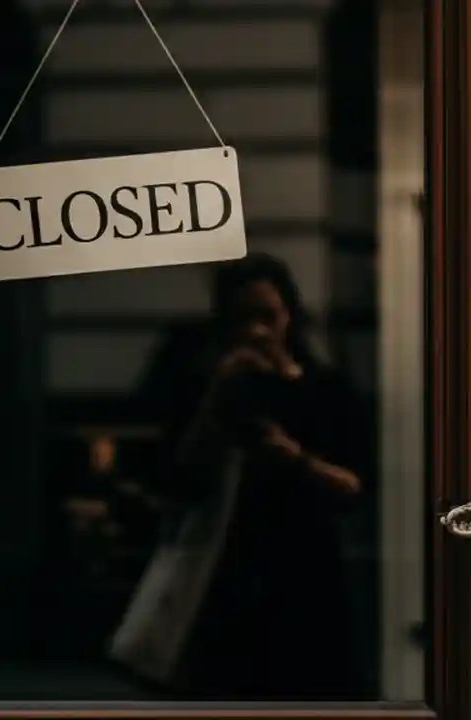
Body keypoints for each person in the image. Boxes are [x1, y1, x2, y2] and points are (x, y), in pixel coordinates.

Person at [116, 253, 369, 700]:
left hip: (304, 570)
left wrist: (293, 457)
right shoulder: (202, 381)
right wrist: (219, 394)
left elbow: (353, 485)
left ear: (289, 315)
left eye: (268, 316)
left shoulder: (324, 388)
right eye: (244, 318)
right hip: (223, 571)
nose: (258, 331)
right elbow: (175, 477)